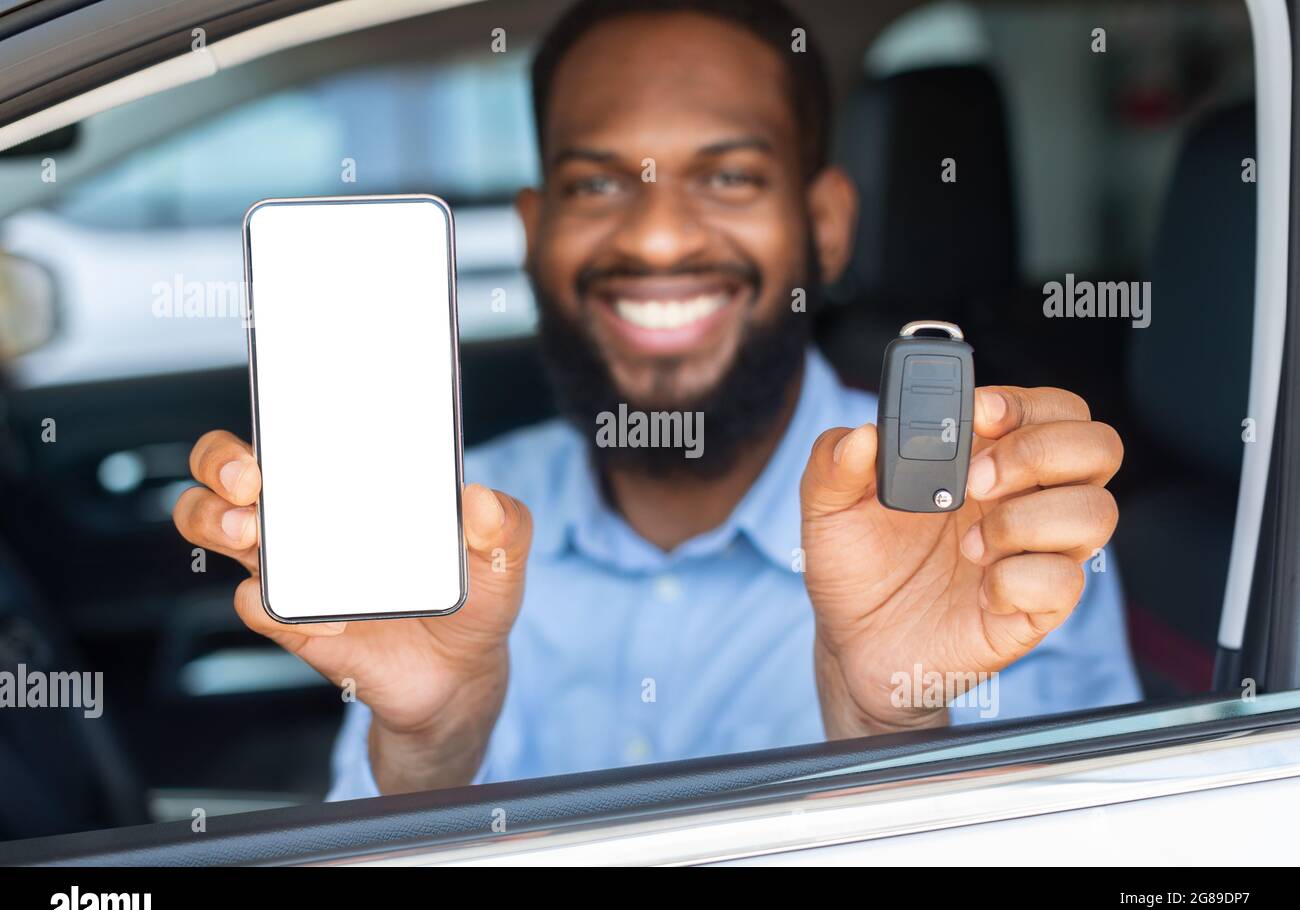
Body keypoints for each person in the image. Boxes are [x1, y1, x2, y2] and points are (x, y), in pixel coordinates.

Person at [173, 0, 1138, 798]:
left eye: (727, 175)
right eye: (598, 184)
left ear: (827, 224)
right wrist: (434, 743)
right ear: (534, 230)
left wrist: (894, 726)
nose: (663, 238)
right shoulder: (446, 520)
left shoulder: (979, 524)